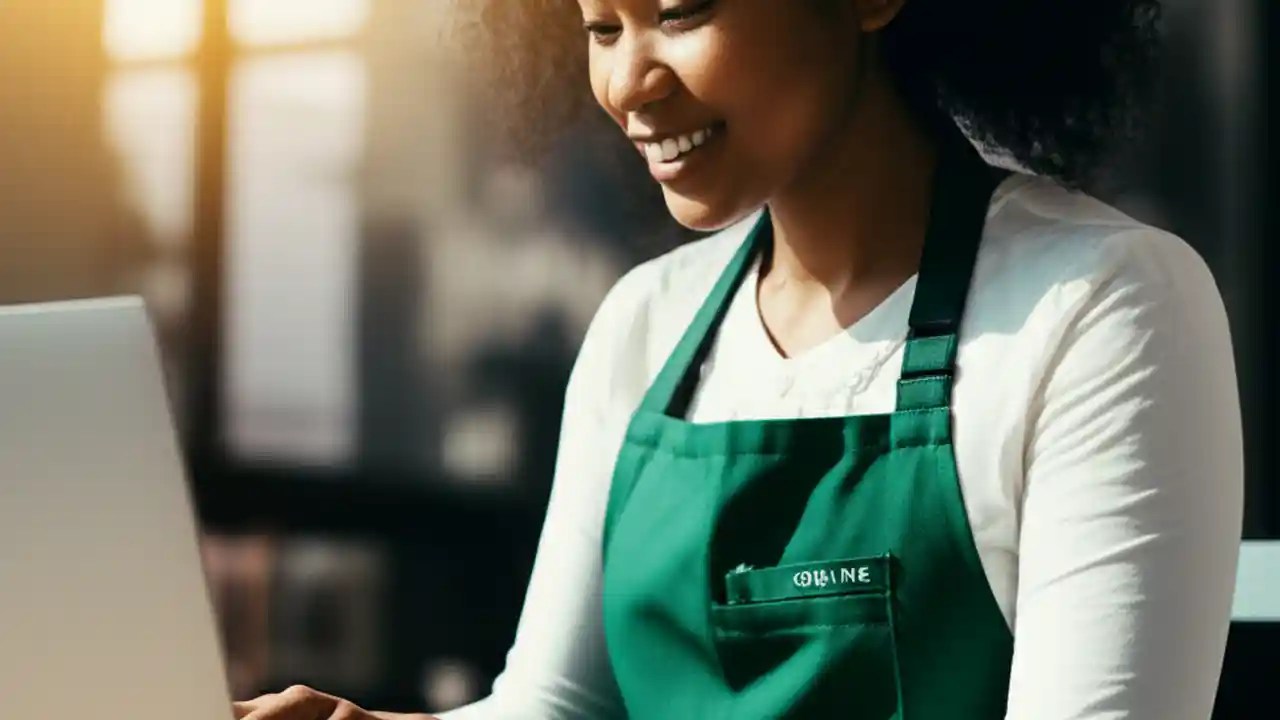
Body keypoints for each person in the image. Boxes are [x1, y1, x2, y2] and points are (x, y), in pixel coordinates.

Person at [233, 0, 1243, 718]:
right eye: (598, 27)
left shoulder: (1099, 305)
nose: (627, 80)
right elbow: (558, 706)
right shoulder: (645, 322)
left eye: (679, 12)